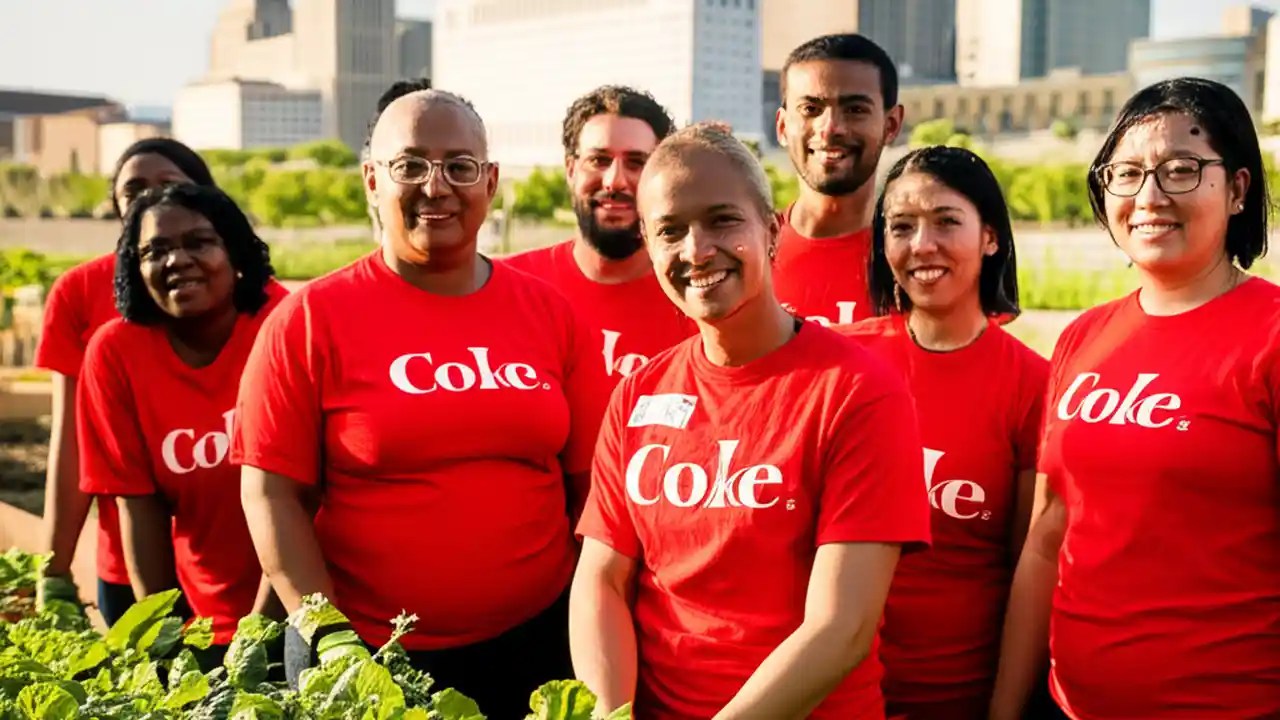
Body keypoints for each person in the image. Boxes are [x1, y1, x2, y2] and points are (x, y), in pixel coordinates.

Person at [232, 87, 612, 718]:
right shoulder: (308, 320)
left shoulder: (550, 313)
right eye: (410, 165)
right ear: (371, 180)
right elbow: (271, 494)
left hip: (537, 641)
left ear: (489, 183)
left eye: (459, 167)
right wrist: (326, 634)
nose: (436, 187)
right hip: (365, 658)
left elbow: (588, 488)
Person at [570, 122, 931, 720]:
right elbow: (602, 582)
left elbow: (841, 628)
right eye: (669, 231)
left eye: (721, 220)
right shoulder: (637, 394)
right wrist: (612, 714)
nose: (696, 249)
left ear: (770, 230)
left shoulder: (857, 393)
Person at [990, 77, 1280, 720]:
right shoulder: (1083, 337)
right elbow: (1047, 537)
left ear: (1236, 190)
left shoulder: (1272, 335)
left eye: (1180, 170)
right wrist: (1005, 710)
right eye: (1126, 173)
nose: (1149, 196)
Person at [841, 146, 1047, 720]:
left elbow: (1028, 567)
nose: (921, 245)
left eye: (946, 221)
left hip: (959, 693)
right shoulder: (840, 359)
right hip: (834, 691)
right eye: (901, 226)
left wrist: (1004, 709)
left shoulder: (1034, 384)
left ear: (990, 237)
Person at [76, 183, 287, 653]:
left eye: (198, 242)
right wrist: (165, 639)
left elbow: (309, 502)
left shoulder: (282, 326)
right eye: (155, 250)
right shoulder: (115, 353)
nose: (177, 261)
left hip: (308, 608)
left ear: (234, 250)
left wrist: (260, 634)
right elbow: (138, 505)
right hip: (204, 621)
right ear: (135, 266)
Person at [34, 137, 217, 625]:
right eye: (132, 189)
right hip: (127, 558)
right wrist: (55, 565)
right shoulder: (79, 293)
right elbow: (72, 438)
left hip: (235, 563)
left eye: (168, 185)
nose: (149, 198)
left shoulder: (240, 290)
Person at [503, 85, 694, 381]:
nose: (614, 181)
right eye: (599, 160)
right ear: (570, 169)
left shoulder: (698, 302)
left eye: (636, 163)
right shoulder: (508, 290)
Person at [773, 33, 904, 327]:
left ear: (891, 124)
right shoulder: (746, 255)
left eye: (855, 109)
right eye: (811, 109)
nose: (830, 128)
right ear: (782, 126)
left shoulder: (923, 259)